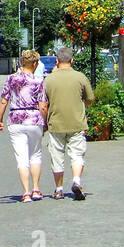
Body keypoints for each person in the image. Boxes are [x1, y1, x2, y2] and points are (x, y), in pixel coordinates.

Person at [0, 49, 48, 202]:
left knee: (21, 158)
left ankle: (26, 192)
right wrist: (44, 122)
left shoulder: (12, 79)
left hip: (16, 119)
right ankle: (36, 189)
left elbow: (4, 100)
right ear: (34, 64)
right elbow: (43, 105)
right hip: (34, 119)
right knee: (36, 155)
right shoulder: (39, 81)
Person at [43, 46, 93, 200]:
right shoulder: (80, 77)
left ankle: (58, 189)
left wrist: (44, 123)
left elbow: (43, 104)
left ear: (57, 61)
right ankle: (77, 181)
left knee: (57, 156)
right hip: (76, 122)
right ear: (72, 61)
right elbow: (90, 98)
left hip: (55, 123)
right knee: (77, 154)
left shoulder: (48, 79)